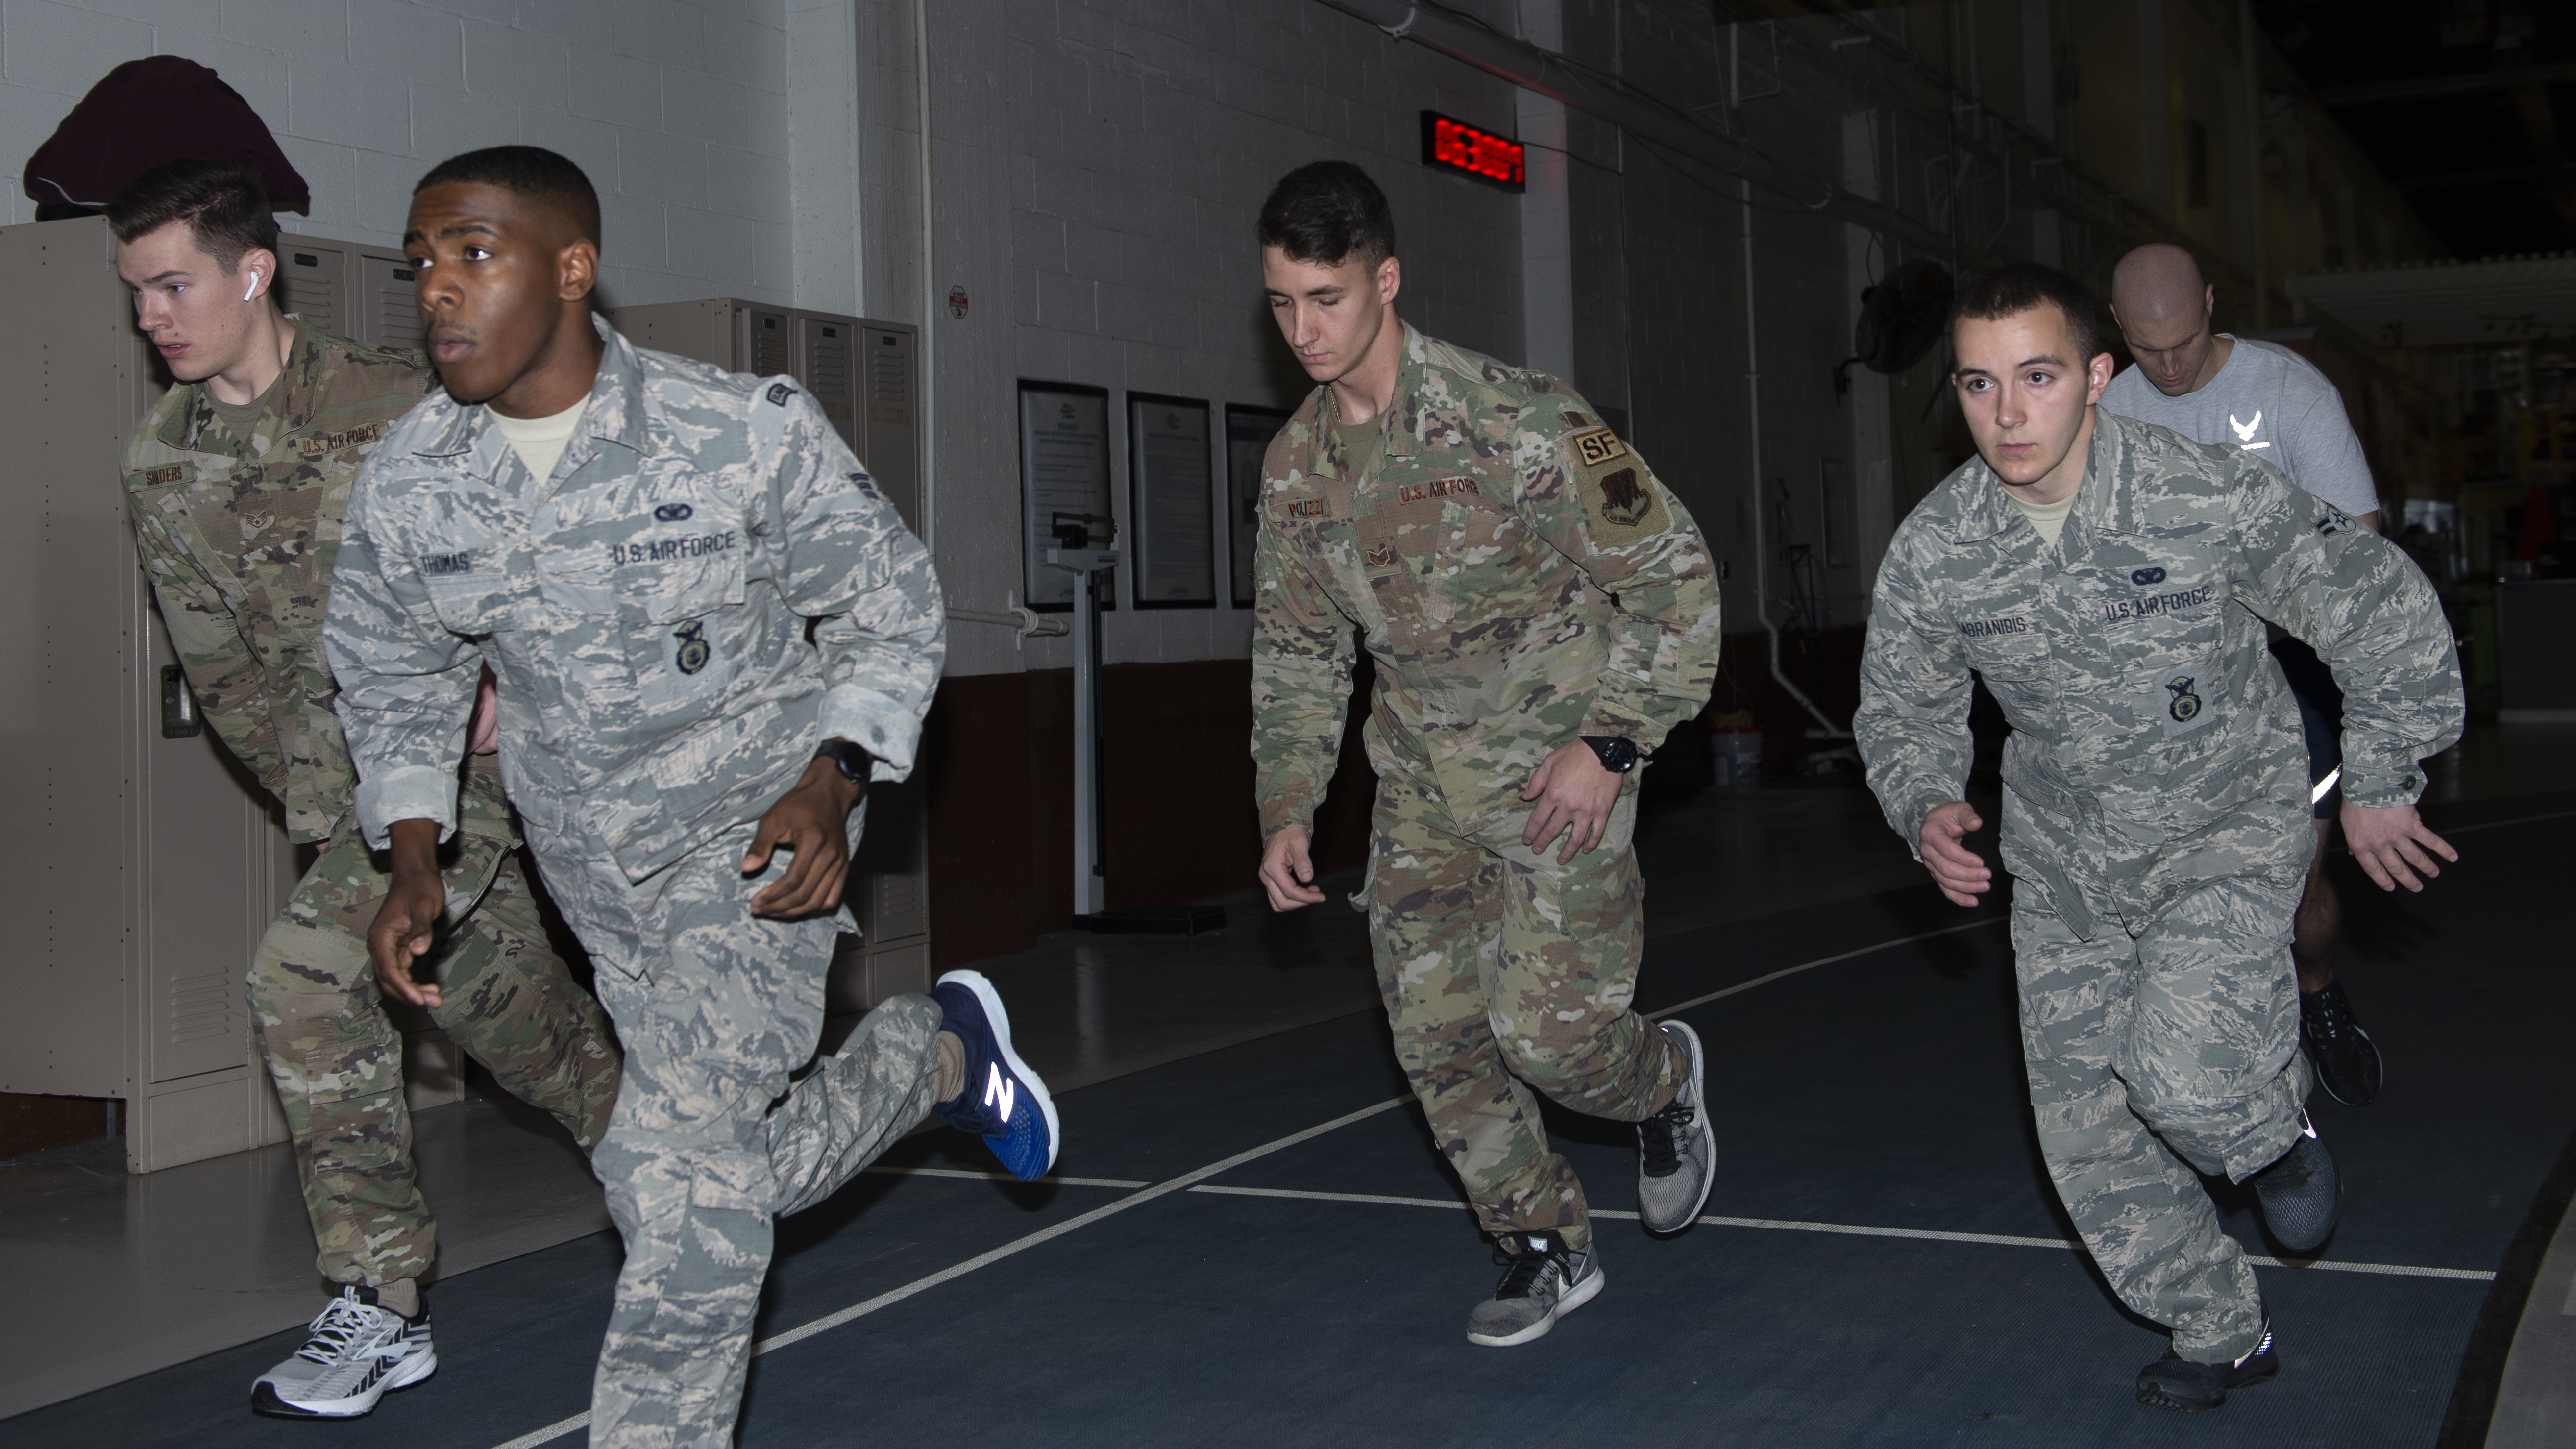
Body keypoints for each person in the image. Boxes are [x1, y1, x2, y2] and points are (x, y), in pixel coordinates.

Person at [320, 147, 1056, 1448]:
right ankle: (928, 1059)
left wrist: (835, 780)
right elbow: (394, 674)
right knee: (697, 1176)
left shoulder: (741, 430)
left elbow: (890, 608)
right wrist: (416, 856)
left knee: (672, 1175)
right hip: (600, 879)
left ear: (572, 268)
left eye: (473, 253)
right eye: (421, 262)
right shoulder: (415, 482)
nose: (437, 290)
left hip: (761, 839)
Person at [1856, 263, 2462, 1411]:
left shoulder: (2203, 493)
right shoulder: (1940, 548)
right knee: (2085, 1133)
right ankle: (2219, 1327)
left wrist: (2383, 777)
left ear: (2096, 378)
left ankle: (2271, 1137)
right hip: (2069, 864)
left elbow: (2377, 608)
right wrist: (1924, 799)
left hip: (2224, 828)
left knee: (2181, 1077)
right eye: (1978, 386)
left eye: (2036, 378)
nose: (2007, 413)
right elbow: (1901, 704)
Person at [106, 157, 624, 1422]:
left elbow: (566, 528)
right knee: (525, 1036)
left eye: (174, 284)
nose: (152, 317)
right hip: (355, 806)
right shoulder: (162, 464)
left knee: (298, 972)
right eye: (136, 294)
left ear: (253, 271)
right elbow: (221, 669)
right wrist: (321, 811)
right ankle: (712, 1168)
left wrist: (521, 667)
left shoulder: (409, 401)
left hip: (473, 773)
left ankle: (381, 1304)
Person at [1247, 161, 1724, 1348]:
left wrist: (1609, 747)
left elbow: (1676, 582)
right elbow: (1301, 652)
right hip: (1419, 785)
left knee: (1555, 1045)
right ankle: (1543, 1243)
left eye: (1327, 298)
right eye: (1281, 304)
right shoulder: (1296, 473)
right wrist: (1288, 803)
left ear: (1386, 279)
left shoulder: (1513, 419)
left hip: (1560, 775)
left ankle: (1661, 1081)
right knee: (1440, 1040)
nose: (1304, 331)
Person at [2104, 241, 2388, 1106]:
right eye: (2149, 349)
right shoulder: (2102, 414)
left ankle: (2317, 990)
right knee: (2182, 903)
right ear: (2116, 330)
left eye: (2185, 340)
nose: (2172, 364)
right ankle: (2223, 1070)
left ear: (2212, 304)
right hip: (2166, 683)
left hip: (2288, 673)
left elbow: (2361, 549)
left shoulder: (2288, 393)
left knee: (2295, 891)